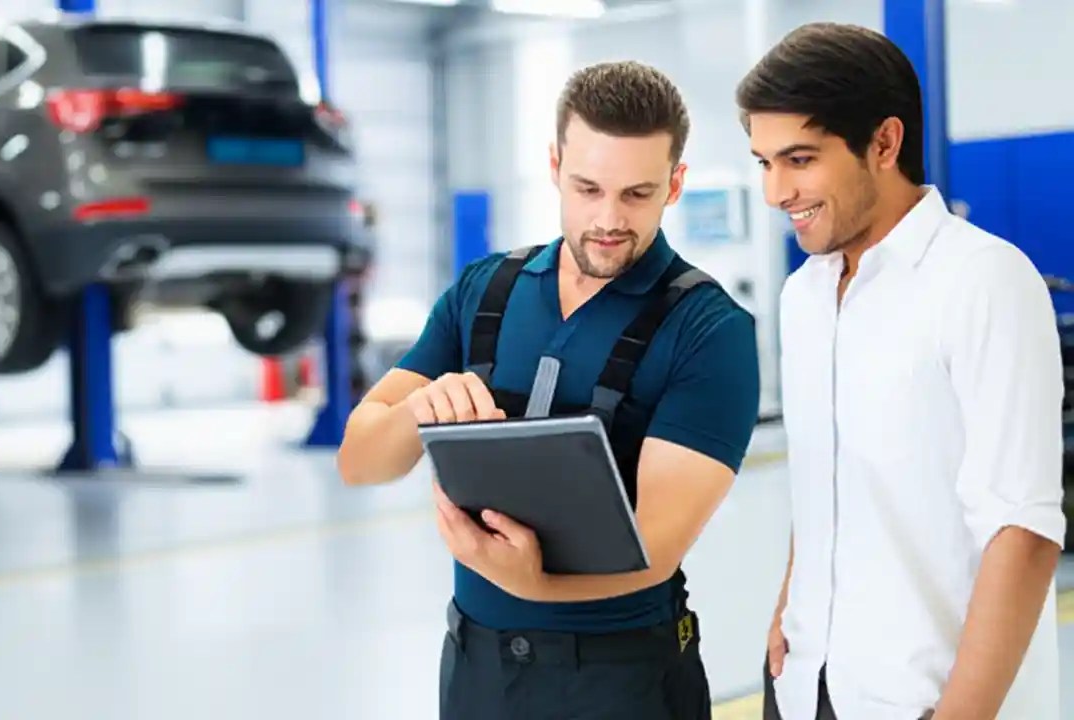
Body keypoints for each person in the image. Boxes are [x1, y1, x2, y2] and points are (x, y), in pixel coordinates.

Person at [337, 60, 762, 719]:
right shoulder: (484, 292)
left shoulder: (709, 332)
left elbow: (653, 550)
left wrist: (532, 584)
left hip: (620, 681)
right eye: (587, 187)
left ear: (675, 184)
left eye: (637, 194)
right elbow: (360, 461)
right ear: (554, 164)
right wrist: (419, 410)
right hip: (476, 669)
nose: (608, 218)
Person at [736, 22, 1066, 720]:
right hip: (805, 685)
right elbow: (830, 474)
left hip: (923, 700)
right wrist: (792, 606)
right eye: (763, 162)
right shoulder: (805, 296)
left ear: (884, 143)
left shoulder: (982, 281)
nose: (775, 192)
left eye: (798, 159)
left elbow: (1025, 533)